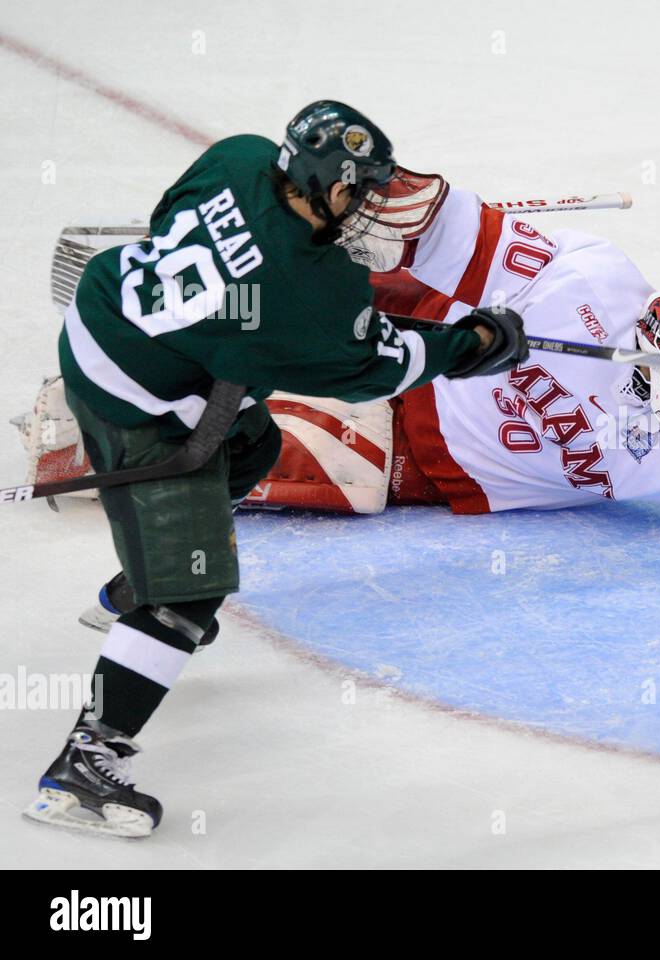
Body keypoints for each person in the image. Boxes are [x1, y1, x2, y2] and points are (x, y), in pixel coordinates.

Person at [23, 101, 528, 838]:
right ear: (323, 180)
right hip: (142, 406)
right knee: (192, 593)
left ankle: (138, 572)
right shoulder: (307, 293)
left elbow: (171, 221)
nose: (368, 207)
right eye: (359, 190)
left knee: (253, 445)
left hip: (105, 316)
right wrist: (472, 345)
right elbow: (371, 367)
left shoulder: (236, 155)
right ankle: (82, 768)